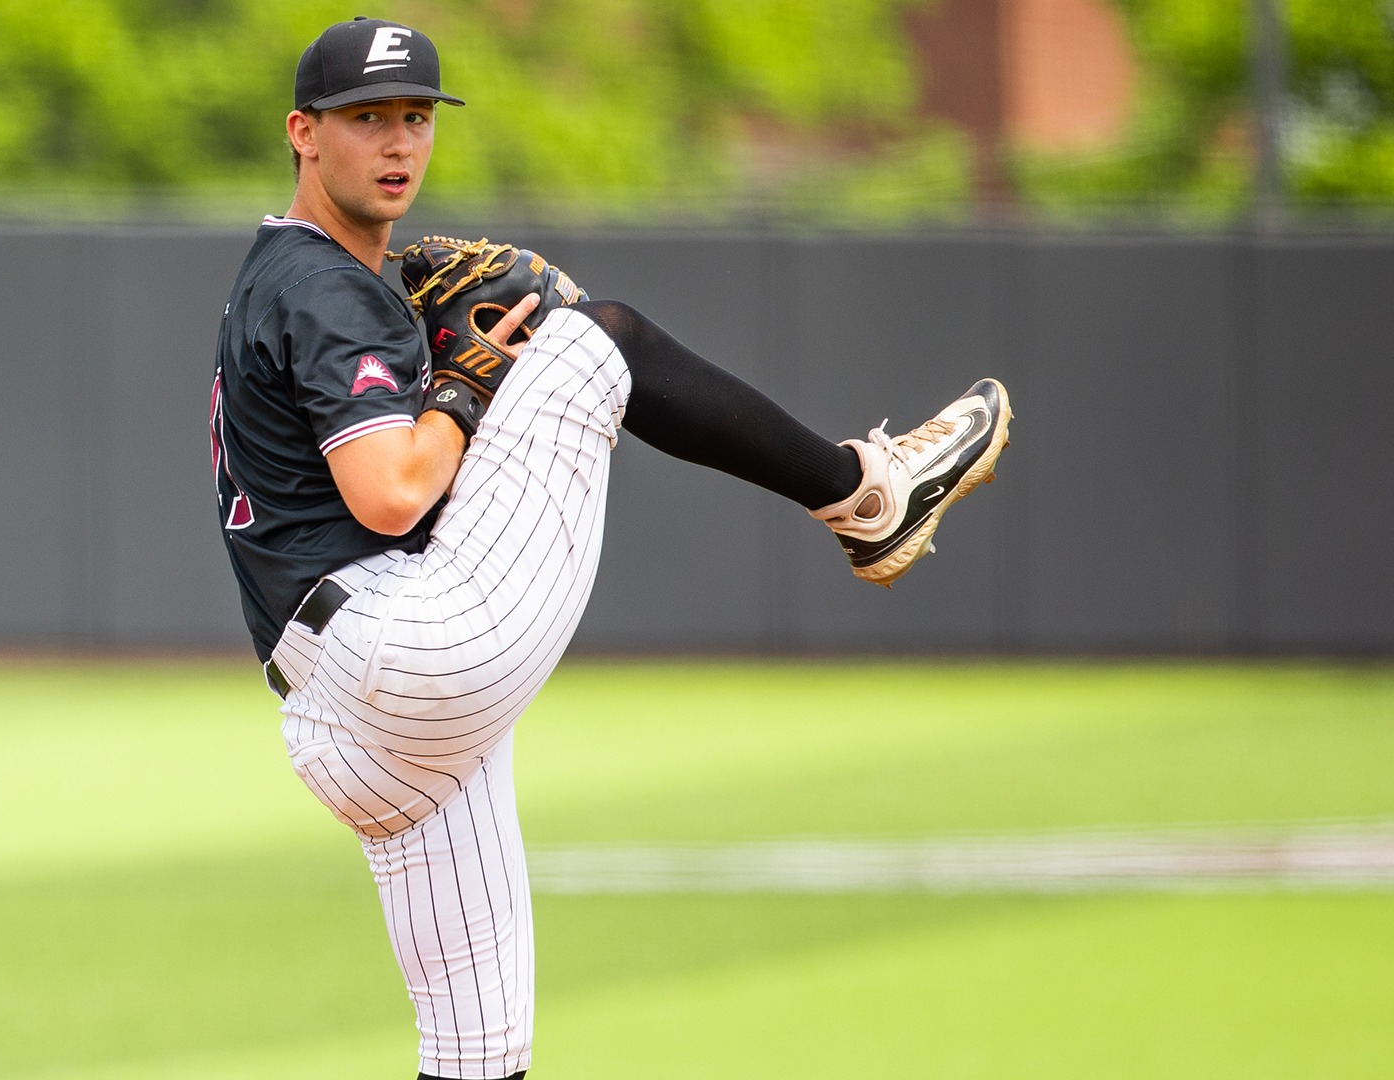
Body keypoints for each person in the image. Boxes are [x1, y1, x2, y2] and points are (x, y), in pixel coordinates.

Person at [208, 17, 1011, 1079]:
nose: (399, 142)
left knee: (477, 1054)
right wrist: (462, 385)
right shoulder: (326, 286)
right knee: (603, 339)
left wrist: (461, 391)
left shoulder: (283, 274)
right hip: (409, 652)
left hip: (347, 726)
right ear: (303, 132)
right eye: (366, 120)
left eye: (415, 117)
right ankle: (870, 495)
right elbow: (395, 491)